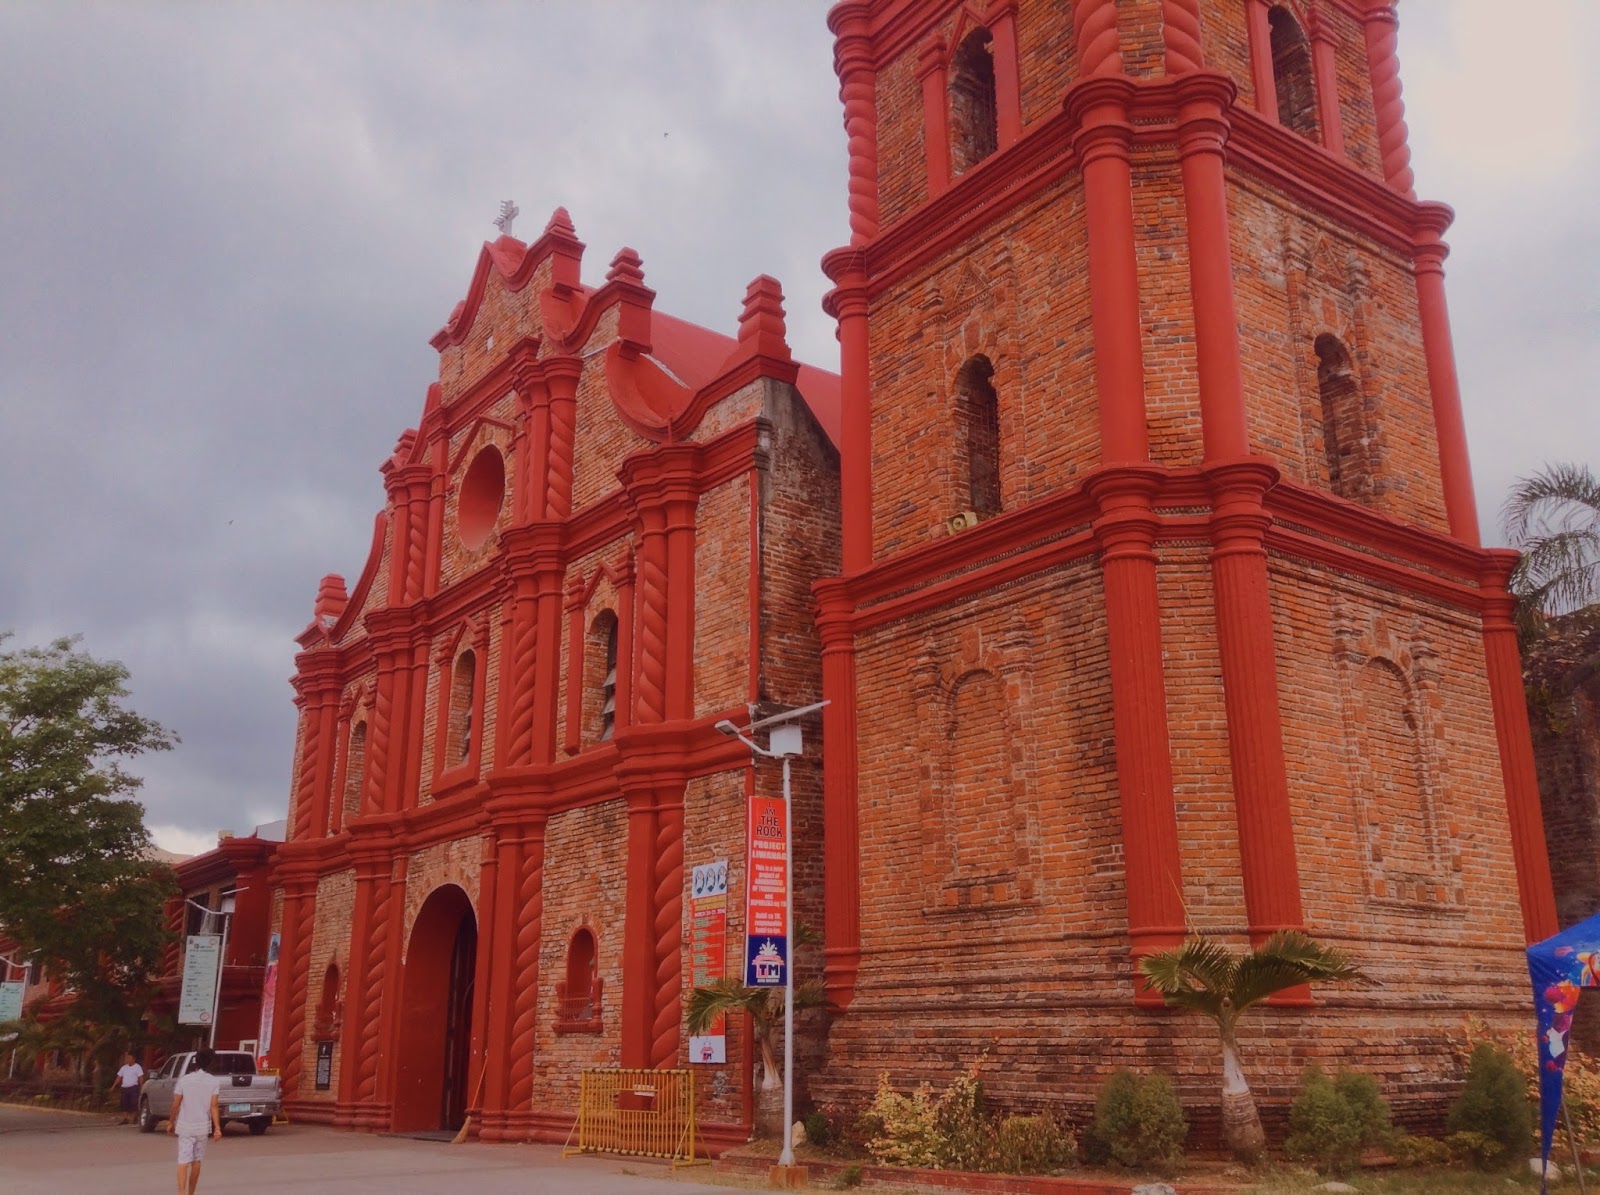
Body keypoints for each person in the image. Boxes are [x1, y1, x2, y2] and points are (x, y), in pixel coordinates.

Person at [168, 1048, 222, 1195]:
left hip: (185, 1126)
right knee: (197, 1161)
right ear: (210, 1063)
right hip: (202, 1127)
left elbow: (176, 1104)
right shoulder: (213, 1082)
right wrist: (217, 1128)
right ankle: (191, 1193)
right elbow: (214, 1106)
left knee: (183, 1161)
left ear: (196, 1061)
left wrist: (170, 1121)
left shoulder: (184, 1080)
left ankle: (181, 1193)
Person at [110, 1051, 143, 1124]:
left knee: (133, 1103)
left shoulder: (137, 1067)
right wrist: (113, 1086)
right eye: (127, 1058)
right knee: (124, 1103)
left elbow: (140, 1077)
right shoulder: (124, 1067)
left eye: (129, 1058)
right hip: (124, 1088)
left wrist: (142, 1086)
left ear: (134, 1059)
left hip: (133, 1087)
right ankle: (125, 1118)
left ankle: (134, 1117)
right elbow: (119, 1077)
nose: (128, 1059)